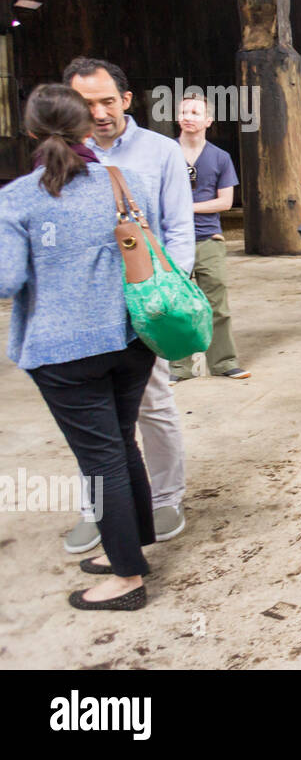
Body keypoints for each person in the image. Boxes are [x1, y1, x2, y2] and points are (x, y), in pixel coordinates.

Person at [0, 85, 160, 609]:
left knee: (100, 460)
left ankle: (126, 580)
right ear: (88, 127)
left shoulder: (18, 197)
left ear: (29, 133)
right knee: (120, 444)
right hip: (131, 338)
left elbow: (7, 280)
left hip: (65, 351)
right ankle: (131, 547)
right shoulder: (126, 181)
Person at [63, 56, 193, 553]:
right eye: (85, 103)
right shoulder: (63, 154)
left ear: (126, 100)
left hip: (144, 299)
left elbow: (179, 228)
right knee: (88, 414)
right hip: (84, 306)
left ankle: (165, 497)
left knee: (153, 403)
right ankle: (98, 507)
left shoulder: (160, 152)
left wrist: (165, 291)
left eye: (106, 101)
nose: (98, 112)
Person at [170, 94, 249, 382]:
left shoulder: (219, 157)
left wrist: (185, 208)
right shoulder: (165, 153)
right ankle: (179, 367)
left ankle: (224, 362)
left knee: (216, 302)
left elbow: (225, 202)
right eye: (183, 111)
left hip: (208, 238)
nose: (188, 116)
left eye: (195, 112)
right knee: (176, 305)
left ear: (208, 121)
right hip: (172, 240)